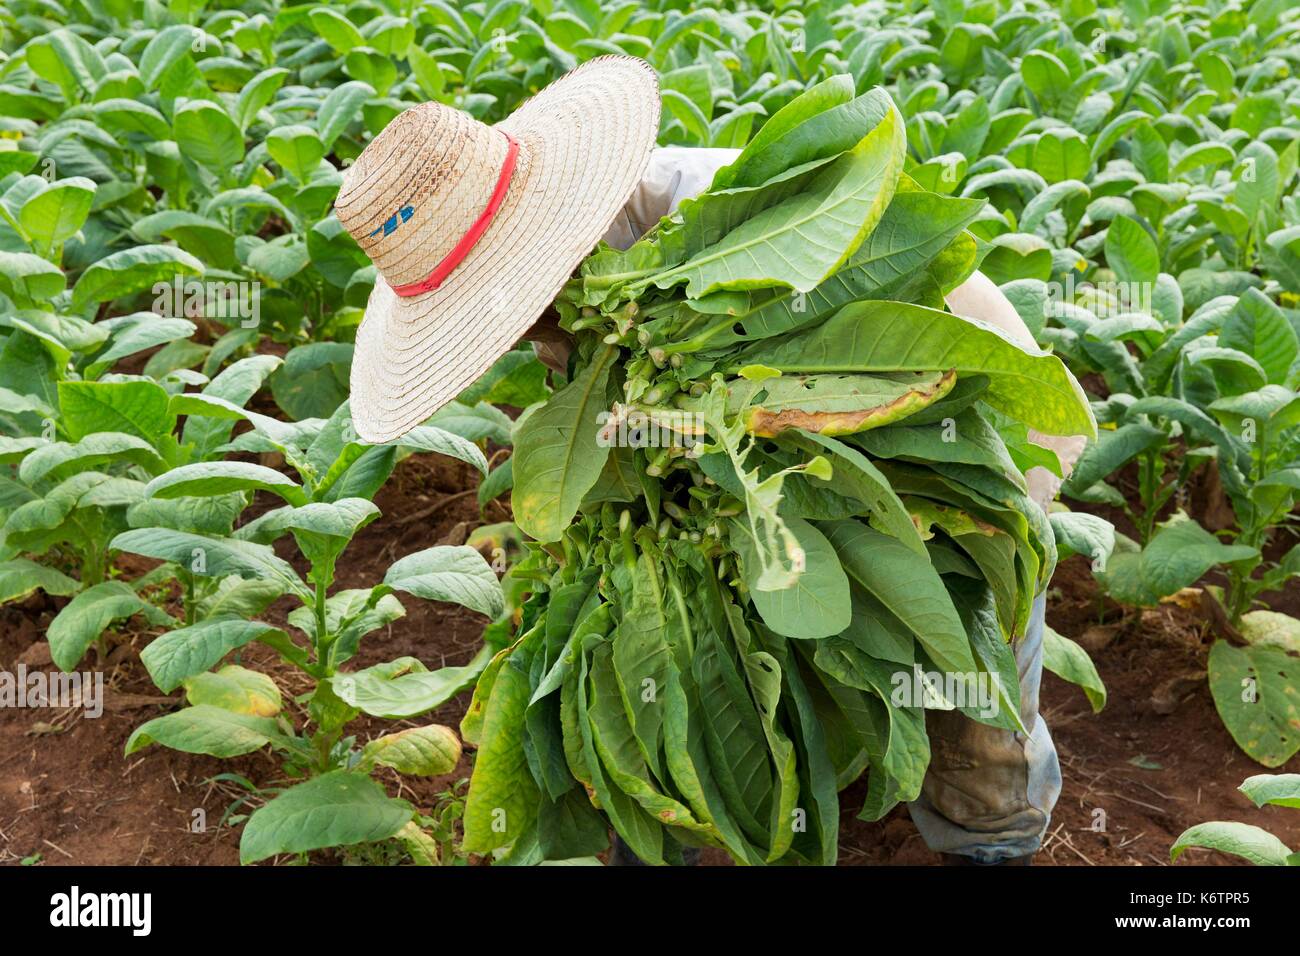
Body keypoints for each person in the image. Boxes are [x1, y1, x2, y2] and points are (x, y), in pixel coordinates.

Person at [335, 56, 1088, 865]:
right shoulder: (559, 306)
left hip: (957, 445)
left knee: (968, 682)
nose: (509, 325)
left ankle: (992, 843)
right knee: (759, 669)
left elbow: (838, 392)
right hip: (785, 504)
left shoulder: (717, 218)